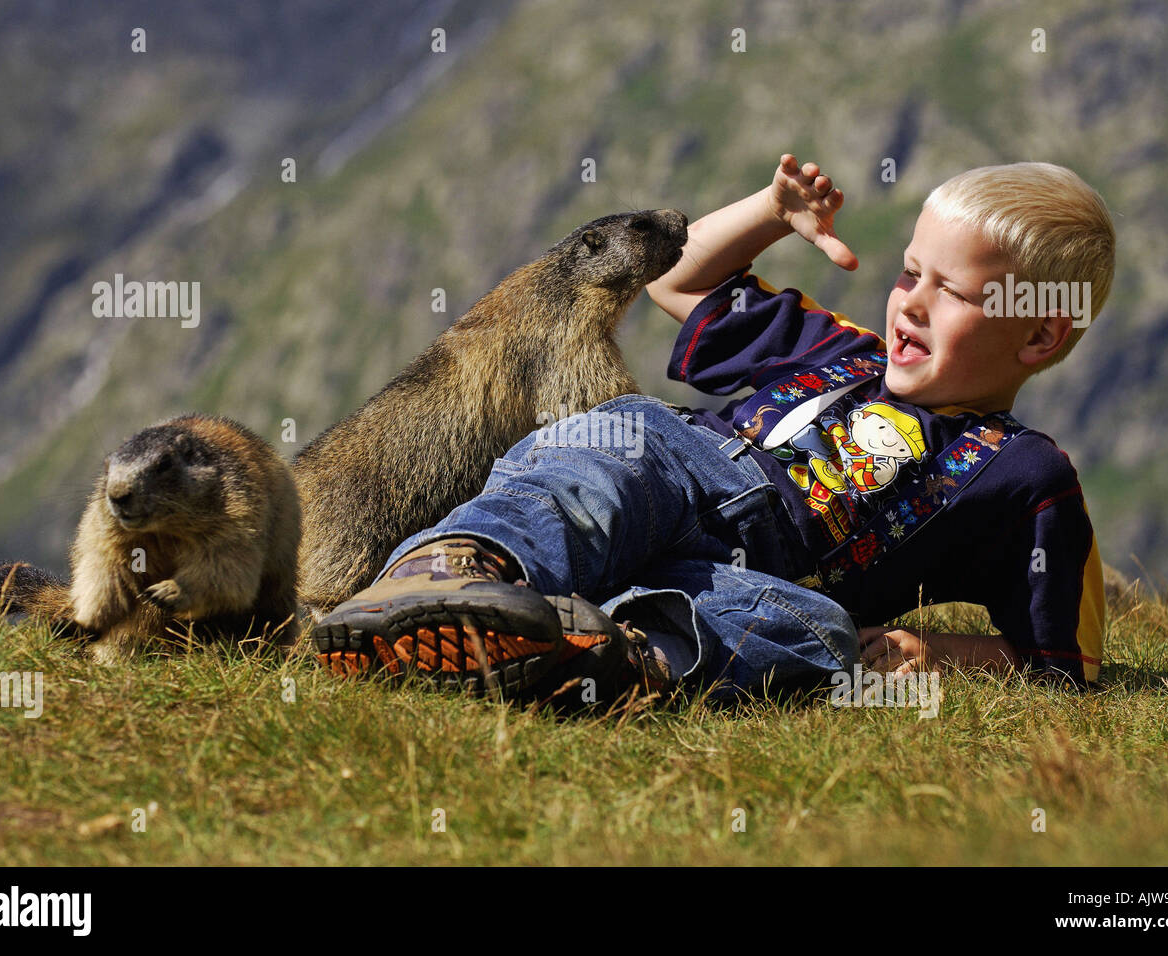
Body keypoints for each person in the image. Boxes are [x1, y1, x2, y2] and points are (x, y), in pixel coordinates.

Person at [311, 154, 1114, 707]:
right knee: (607, 452)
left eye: (952, 291)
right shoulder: (834, 349)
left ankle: (592, 655)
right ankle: (452, 571)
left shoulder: (1027, 476)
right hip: (682, 466)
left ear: (1038, 335)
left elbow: (1063, 663)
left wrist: (937, 654)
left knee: (818, 635)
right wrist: (773, 213)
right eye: (911, 271)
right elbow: (678, 277)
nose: (910, 300)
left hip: (756, 574)